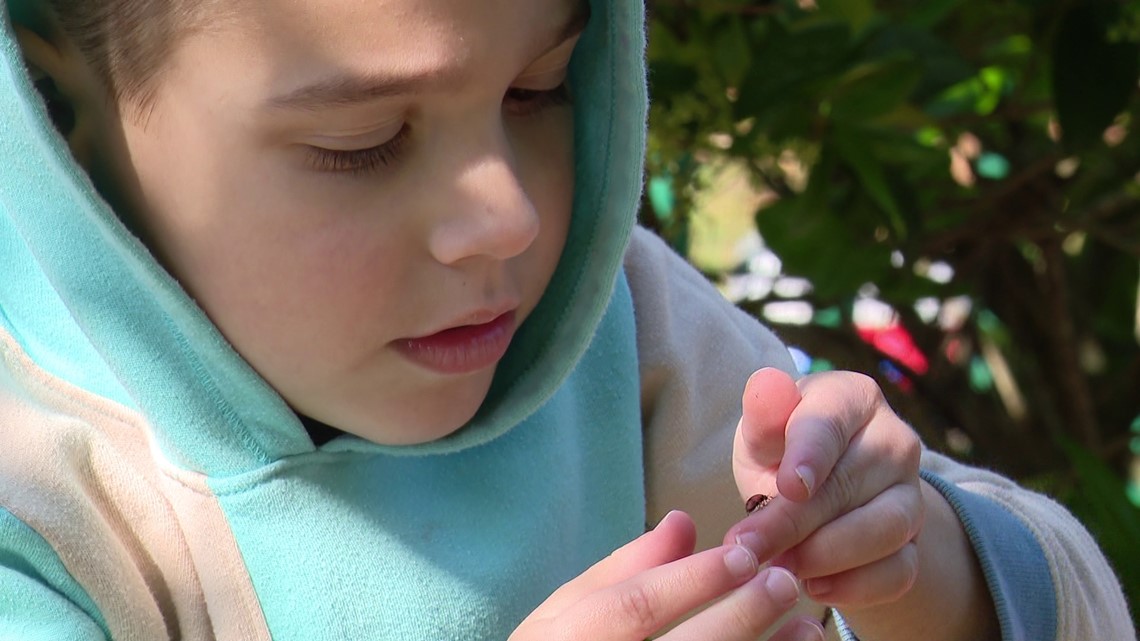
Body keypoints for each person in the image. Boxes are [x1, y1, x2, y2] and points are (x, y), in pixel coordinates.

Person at [0, 0, 1132, 639]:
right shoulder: (38, 509)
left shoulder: (619, 333)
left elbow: (1077, 610)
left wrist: (913, 558)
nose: (508, 213)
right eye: (363, 143)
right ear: (62, 104)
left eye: (539, 89)